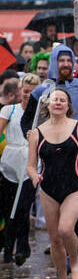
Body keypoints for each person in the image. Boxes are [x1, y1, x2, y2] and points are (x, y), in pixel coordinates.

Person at [27, 88, 78, 279]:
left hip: (75, 186)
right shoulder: (37, 133)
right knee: (55, 240)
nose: (58, 103)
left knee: (66, 229)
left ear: (68, 106)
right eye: (54, 100)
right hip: (48, 188)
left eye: (62, 100)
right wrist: (34, 176)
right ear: (47, 105)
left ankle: (74, 262)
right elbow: (31, 165)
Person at [0, 75, 37, 264]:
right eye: (26, 91)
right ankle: (8, 247)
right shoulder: (9, 109)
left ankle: (22, 248)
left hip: (30, 163)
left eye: (33, 91)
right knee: (8, 208)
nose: (29, 95)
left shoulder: (40, 114)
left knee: (23, 207)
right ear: (21, 90)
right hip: (10, 161)